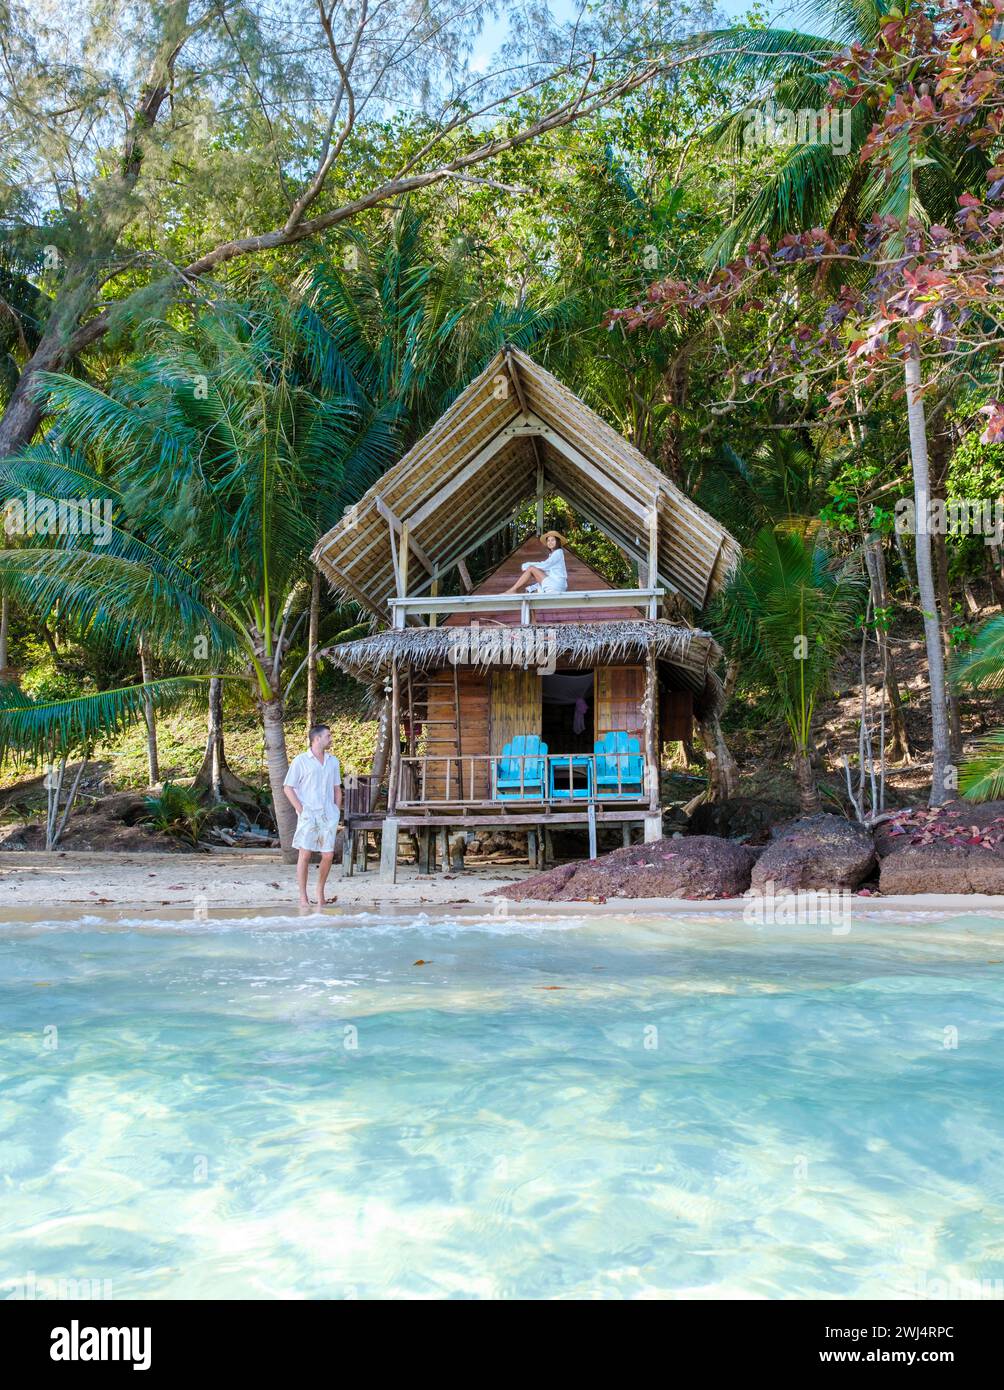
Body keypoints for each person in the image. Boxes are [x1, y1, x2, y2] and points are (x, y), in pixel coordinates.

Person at [282, 724, 343, 908]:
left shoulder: (333, 761)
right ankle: (303, 897)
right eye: (328, 736)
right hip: (309, 814)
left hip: (327, 815)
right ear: (317, 739)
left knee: (328, 855)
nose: (331, 739)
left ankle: (320, 890)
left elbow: (337, 789)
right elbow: (287, 788)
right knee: (305, 853)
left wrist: (336, 812)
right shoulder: (301, 760)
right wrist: (300, 809)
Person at [502, 530, 568, 595]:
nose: (550, 542)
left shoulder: (558, 552)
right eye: (548, 540)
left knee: (531, 568)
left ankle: (513, 590)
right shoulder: (554, 554)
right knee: (530, 590)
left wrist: (528, 565)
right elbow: (545, 570)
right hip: (557, 585)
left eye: (553, 540)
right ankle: (520, 591)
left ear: (558, 542)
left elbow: (545, 565)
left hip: (556, 584)